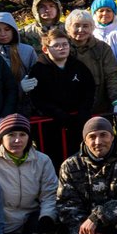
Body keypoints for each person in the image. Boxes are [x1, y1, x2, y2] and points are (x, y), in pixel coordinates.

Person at [0, 113, 60, 234]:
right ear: (1, 137)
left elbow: (50, 193)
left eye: (22, 135)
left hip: (33, 217)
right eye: (11, 135)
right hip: (4, 224)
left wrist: (47, 217)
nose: (17, 140)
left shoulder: (42, 160)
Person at [28, 27, 94, 156]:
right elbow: (37, 98)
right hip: (51, 125)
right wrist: (57, 113)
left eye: (65, 44)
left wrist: (84, 110)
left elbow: (89, 89)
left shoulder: (78, 66)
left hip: (77, 122)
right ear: (45, 49)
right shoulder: (38, 69)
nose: (61, 48)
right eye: (56, 46)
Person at [65, 9, 117, 122]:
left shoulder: (102, 48)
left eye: (85, 26)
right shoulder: (61, 48)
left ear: (92, 28)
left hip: (99, 109)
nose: (81, 30)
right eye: (76, 25)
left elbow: (112, 75)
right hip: (70, 112)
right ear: (68, 27)